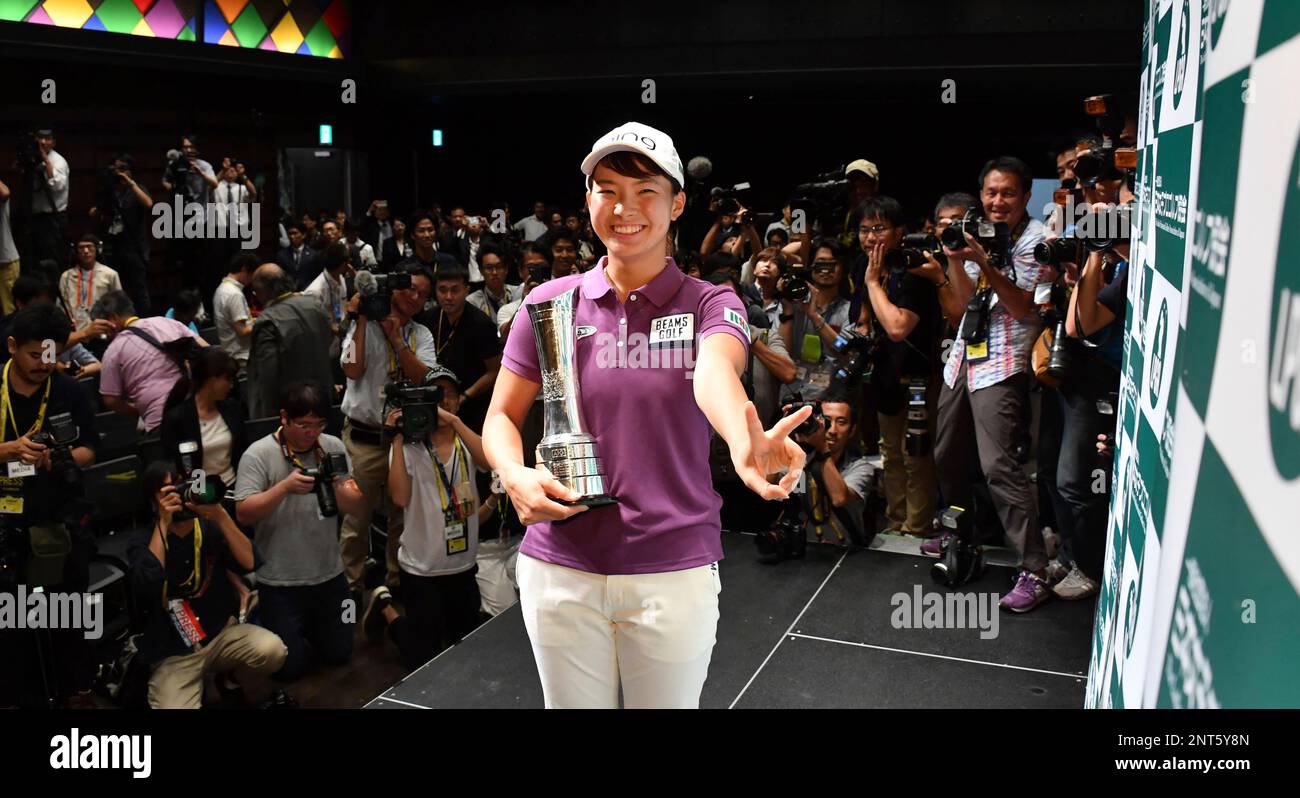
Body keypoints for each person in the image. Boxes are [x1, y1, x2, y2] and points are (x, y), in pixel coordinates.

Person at [484, 122, 807, 709]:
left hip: (670, 570)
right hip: (560, 568)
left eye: (645, 191)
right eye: (607, 189)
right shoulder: (547, 304)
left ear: (678, 202)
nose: (624, 208)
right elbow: (501, 416)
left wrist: (742, 437)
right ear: (588, 201)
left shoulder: (710, 302)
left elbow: (715, 374)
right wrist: (512, 474)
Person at [927, 156, 1051, 612]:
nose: (998, 201)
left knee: (999, 466)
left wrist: (985, 262)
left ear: (1024, 197)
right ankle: (960, 538)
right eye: (991, 193)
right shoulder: (973, 230)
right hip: (964, 355)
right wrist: (956, 260)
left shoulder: (1038, 242)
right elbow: (961, 307)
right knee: (946, 452)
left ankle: (1034, 569)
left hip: (1004, 361)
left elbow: (1023, 308)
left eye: (1008, 193)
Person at [0, 303, 98, 708]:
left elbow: (91, 448)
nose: (44, 364)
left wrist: (56, 459)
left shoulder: (69, 390)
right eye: (33, 355)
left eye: (51, 354)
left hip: (59, 521)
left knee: (66, 615)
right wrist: (5, 450)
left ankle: (74, 689)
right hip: (5, 523)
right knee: (11, 624)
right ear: (11, 346)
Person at [363, 367, 493, 668]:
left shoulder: (466, 441)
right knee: (422, 659)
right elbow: (399, 498)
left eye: (447, 393)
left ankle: (388, 606)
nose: (442, 401)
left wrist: (456, 422)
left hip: (463, 566)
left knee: (466, 652)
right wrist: (395, 438)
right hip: (422, 572)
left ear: (458, 400)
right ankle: (386, 607)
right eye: (434, 394)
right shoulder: (409, 447)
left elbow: (489, 461)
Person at [234, 381, 365, 681]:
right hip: (281, 581)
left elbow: (356, 506)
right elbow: (243, 512)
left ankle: (313, 630)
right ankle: (261, 614)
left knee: (342, 652)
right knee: (289, 668)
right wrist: (283, 488)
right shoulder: (258, 454)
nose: (311, 432)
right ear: (284, 418)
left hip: (329, 575)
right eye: (303, 425)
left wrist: (337, 483)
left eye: (318, 424)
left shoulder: (332, 446)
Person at [129, 462, 287, 708]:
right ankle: (193, 686)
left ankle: (230, 681)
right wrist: (163, 522)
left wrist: (221, 515)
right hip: (175, 650)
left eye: (183, 486)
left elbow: (250, 562)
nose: (179, 495)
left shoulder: (209, 526)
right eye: (168, 490)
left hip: (221, 633)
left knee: (273, 651)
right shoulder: (143, 539)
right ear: (153, 499)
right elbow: (148, 582)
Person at [338, 261, 439, 593]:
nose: (414, 297)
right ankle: (350, 591)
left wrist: (397, 339)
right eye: (410, 288)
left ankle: (397, 589)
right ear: (392, 288)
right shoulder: (362, 323)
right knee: (356, 523)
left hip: (404, 441)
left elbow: (424, 378)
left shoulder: (420, 334)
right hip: (364, 439)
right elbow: (352, 369)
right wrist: (363, 318)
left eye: (423, 294)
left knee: (402, 521)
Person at [857, 196, 940, 536]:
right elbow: (863, 320)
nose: (870, 237)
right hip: (885, 376)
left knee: (916, 453)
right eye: (864, 230)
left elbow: (897, 327)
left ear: (899, 232)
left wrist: (873, 284)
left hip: (919, 376)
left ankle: (917, 524)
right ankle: (895, 521)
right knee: (890, 454)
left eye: (878, 228)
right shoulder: (867, 268)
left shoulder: (915, 270)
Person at [94, 290, 209, 434]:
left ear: (112, 319)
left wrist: (139, 412)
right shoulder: (167, 322)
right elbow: (207, 350)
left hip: (160, 422)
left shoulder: (112, 351)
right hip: (199, 408)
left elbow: (110, 400)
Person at [414, 263, 501, 432]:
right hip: (436, 401)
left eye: (455, 290)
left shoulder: (481, 323)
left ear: (466, 290)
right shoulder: (428, 318)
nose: (448, 297)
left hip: (473, 403)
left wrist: (465, 396)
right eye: (442, 290)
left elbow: (494, 371)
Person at [245, 264, 335, 419]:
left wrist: (266, 416)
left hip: (292, 410)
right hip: (324, 400)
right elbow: (329, 339)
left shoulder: (267, 321)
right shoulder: (316, 305)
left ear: (262, 291)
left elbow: (268, 376)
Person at [160, 347, 247, 494]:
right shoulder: (177, 418)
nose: (231, 386)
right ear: (213, 380)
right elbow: (175, 464)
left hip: (235, 487)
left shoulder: (232, 408)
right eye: (228, 379)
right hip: (200, 493)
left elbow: (242, 450)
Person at [58, 234, 123, 333]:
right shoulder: (66, 276)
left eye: (89, 246)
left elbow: (118, 304)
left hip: (102, 329)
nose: (86, 251)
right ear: (76, 252)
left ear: (97, 249)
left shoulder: (110, 274)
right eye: (81, 248)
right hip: (75, 330)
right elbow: (61, 305)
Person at [213, 253, 256, 375]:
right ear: (244, 269)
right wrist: (262, 320)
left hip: (231, 352)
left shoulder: (221, 288)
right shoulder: (234, 294)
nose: (252, 280)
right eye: (252, 275)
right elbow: (242, 331)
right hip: (241, 357)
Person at [466, 243, 522, 324]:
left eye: (499, 267)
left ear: (506, 269)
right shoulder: (472, 302)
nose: (494, 272)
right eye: (489, 268)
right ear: (481, 271)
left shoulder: (519, 292)